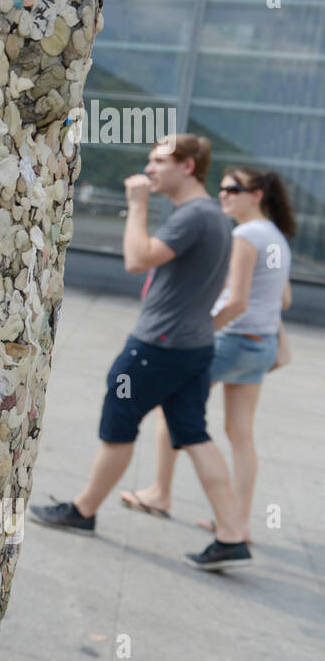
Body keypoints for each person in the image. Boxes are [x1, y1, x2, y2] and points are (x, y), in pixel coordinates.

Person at [30, 134, 252, 570]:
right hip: (192, 347)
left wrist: (135, 204)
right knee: (193, 433)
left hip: (155, 348)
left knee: (119, 420)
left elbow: (137, 259)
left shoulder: (193, 216)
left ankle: (84, 510)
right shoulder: (214, 217)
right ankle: (231, 536)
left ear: (188, 167)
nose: (149, 168)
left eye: (158, 160)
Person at [120, 166, 295, 542]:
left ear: (257, 195)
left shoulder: (246, 235)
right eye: (223, 188)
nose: (224, 194)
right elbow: (284, 298)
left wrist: (202, 331)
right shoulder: (276, 237)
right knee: (240, 433)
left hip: (231, 339)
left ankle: (160, 492)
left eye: (234, 188)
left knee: (173, 411)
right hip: (261, 344)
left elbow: (238, 301)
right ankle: (240, 522)